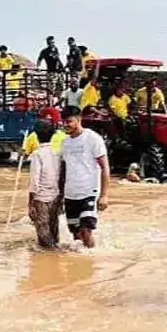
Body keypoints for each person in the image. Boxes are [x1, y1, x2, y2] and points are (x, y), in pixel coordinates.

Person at [59, 105, 109, 248]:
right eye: (64, 122)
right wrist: (60, 192)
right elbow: (63, 169)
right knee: (76, 235)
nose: (65, 125)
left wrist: (104, 195)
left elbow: (105, 167)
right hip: (70, 193)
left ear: (79, 120)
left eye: (69, 121)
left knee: (86, 231)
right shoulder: (65, 143)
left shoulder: (93, 138)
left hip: (89, 191)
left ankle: (92, 260)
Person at [27, 117, 64, 249]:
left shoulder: (37, 155)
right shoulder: (57, 153)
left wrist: (30, 203)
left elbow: (34, 181)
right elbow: (61, 177)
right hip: (56, 195)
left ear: (36, 136)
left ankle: (52, 257)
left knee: (43, 234)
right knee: (54, 231)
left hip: (41, 198)